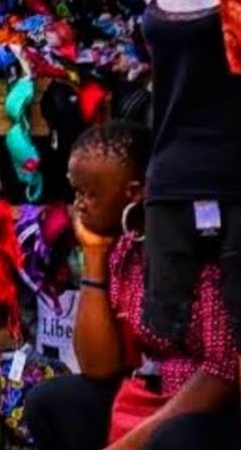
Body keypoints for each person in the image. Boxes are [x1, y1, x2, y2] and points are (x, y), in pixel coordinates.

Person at [25, 121, 240, 450]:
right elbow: (99, 367)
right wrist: (94, 254)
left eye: (91, 193)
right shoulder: (126, 248)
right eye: (76, 191)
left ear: (134, 192)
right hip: (146, 397)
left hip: (207, 410)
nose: (79, 204)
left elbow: (222, 372)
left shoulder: (197, 251)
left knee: (175, 439)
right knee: (51, 401)